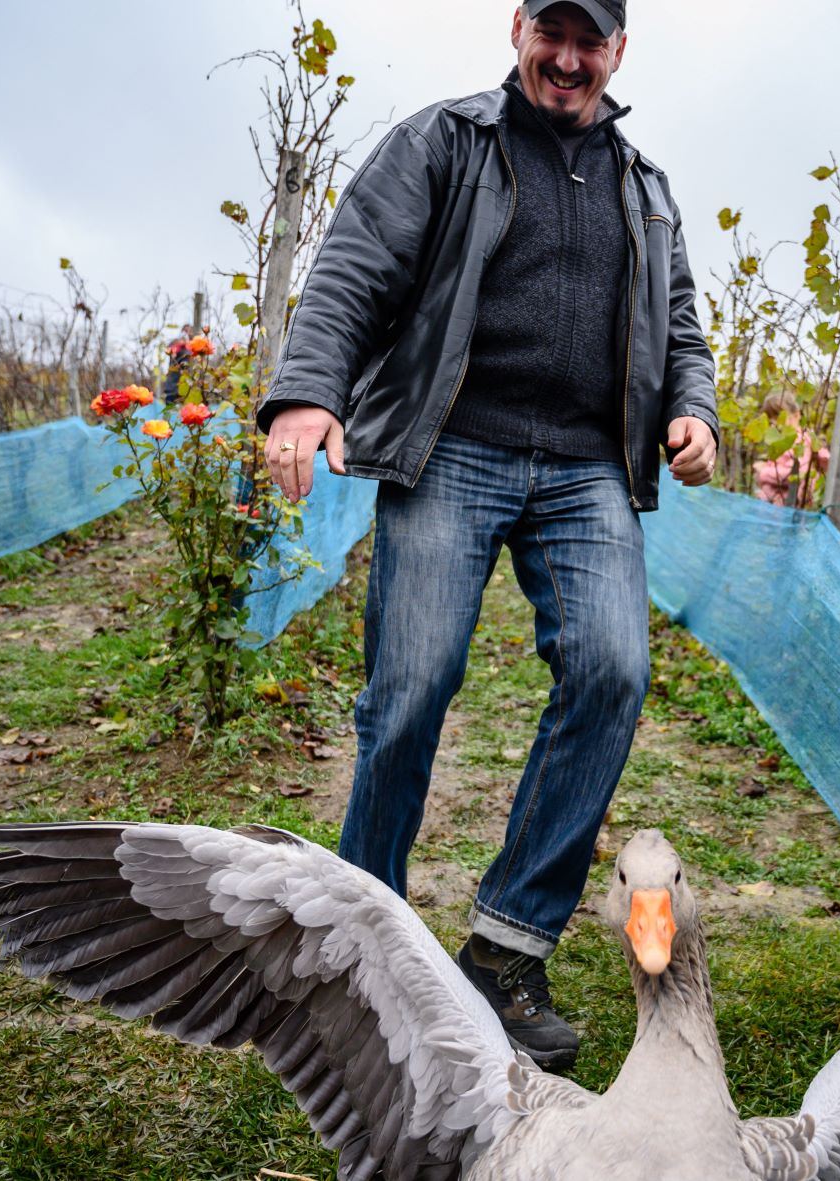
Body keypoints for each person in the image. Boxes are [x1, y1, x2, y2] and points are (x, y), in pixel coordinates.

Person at [257, 0, 718, 1073]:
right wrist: (305, 393)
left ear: (616, 49)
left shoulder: (644, 188)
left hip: (587, 465)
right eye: (548, 32)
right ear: (516, 29)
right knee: (410, 685)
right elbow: (353, 267)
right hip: (453, 445)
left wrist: (689, 406)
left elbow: (681, 323)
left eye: (587, 38)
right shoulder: (444, 140)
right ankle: (356, 939)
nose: (567, 57)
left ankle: (505, 947)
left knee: (611, 669)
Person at [751, 390, 826, 507]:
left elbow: (796, 473)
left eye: (778, 416)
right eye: (770, 417)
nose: (773, 422)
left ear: (796, 415)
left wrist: (764, 472)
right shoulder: (782, 440)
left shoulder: (800, 441)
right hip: (772, 505)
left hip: (785, 508)